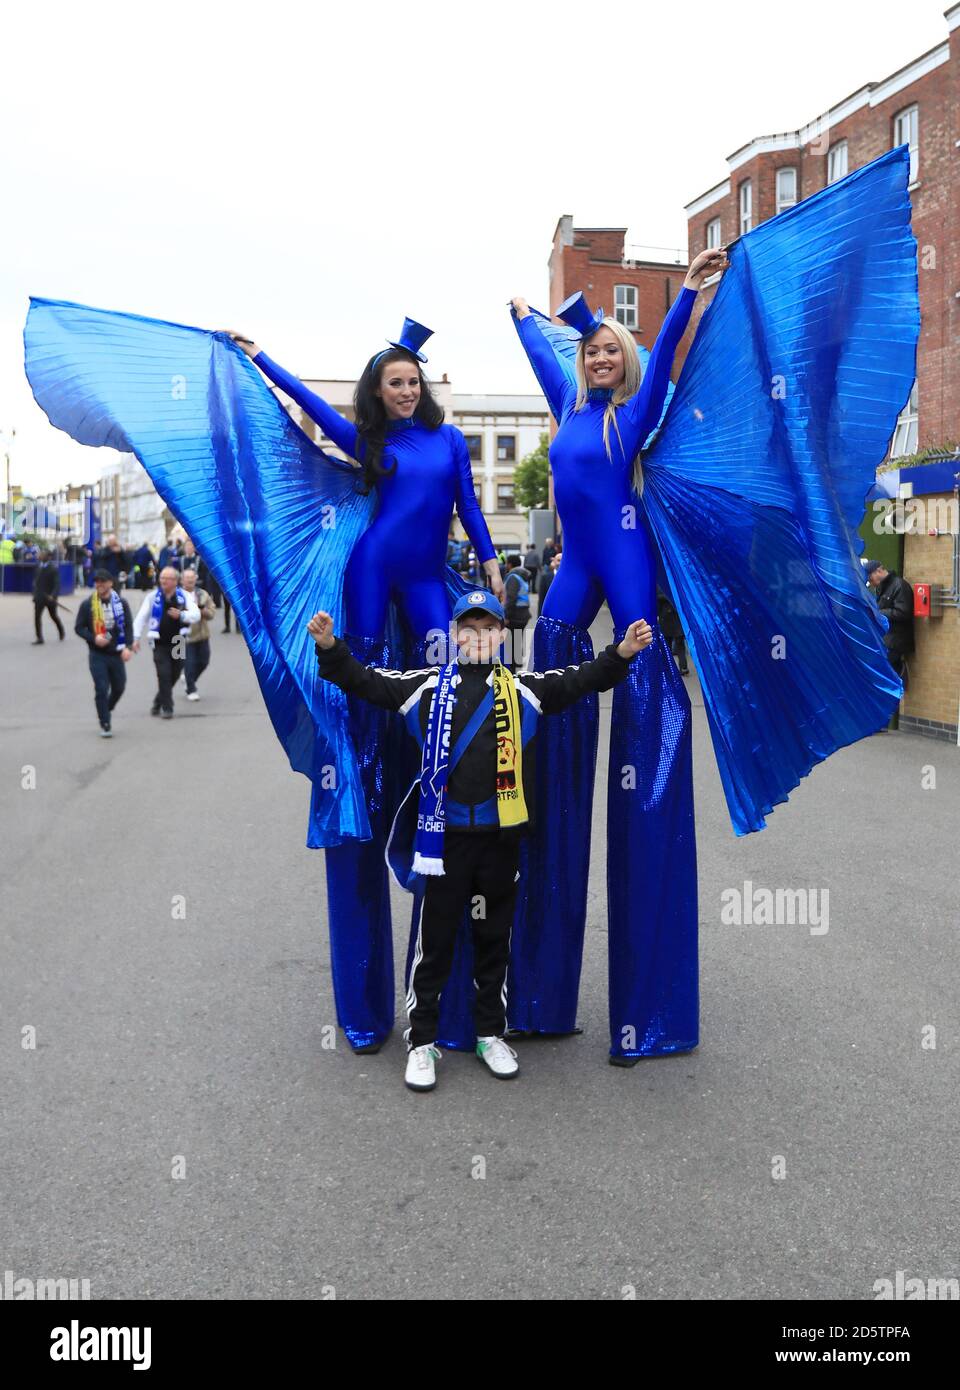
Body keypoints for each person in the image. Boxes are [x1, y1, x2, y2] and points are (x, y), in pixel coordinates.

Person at [226, 317, 502, 1054]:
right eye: (395, 384)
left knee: (449, 675)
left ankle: (434, 763)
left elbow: (469, 505)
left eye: (414, 382)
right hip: (374, 566)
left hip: (425, 576)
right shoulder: (370, 444)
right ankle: (362, 752)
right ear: (378, 394)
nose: (407, 392)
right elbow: (311, 416)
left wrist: (490, 559)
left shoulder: (446, 440)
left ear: (425, 387)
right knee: (367, 673)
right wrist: (264, 360)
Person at [310, 589, 653, 1090]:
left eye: (487, 628)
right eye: (467, 629)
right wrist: (329, 646)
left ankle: (491, 1033)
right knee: (437, 944)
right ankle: (422, 1042)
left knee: (495, 940)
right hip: (442, 843)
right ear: (454, 636)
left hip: (501, 840)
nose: (477, 637)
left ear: (500, 635)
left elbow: (579, 680)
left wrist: (619, 654)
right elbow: (366, 681)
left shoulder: (523, 688)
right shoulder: (425, 687)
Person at [131, 566, 201, 717]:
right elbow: (141, 618)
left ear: (175, 581)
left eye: (167, 578)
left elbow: (196, 615)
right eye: (161, 578)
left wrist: (182, 615)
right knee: (163, 674)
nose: (163, 581)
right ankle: (167, 708)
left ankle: (158, 701)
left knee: (174, 674)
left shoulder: (184, 596)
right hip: (159, 641)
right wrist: (135, 638)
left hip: (178, 640)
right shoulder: (152, 597)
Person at [74, 568, 135, 736]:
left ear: (110, 583)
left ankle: (106, 708)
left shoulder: (121, 603)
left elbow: (128, 626)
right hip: (97, 654)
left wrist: (128, 647)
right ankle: (105, 722)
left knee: (119, 687)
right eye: (97, 581)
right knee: (101, 688)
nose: (99, 584)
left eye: (102, 581)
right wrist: (94, 638)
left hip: (116, 652)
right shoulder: (88, 604)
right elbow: (79, 628)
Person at [863, 560, 915, 677]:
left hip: (896, 640)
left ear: (879, 571)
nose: (871, 583)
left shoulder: (899, 585)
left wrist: (878, 612)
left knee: (883, 670)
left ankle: (900, 674)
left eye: (871, 579)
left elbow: (903, 612)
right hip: (886, 639)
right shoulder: (881, 588)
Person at [180, 565, 216, 699]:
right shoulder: (177, 595)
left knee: (204, 662)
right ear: (182, 580)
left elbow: (212, 613)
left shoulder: (202, 594)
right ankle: (191, 689)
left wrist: (203, 611)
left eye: (192, 578)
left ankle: (190, 679)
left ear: (196, 579)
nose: (189, 580)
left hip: (202, 635)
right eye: (187, 578)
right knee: (188, 663)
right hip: (183, 636)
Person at [503, 554, 532, 671]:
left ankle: (512, 670)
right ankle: (517, 664)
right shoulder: (522, 576)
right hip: (523, 614)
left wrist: (506, 616)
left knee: (511, 643)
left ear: (509, 564)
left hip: (515, 615)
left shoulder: (513, 577)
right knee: (517, 640)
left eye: (506, 563)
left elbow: (511, 598)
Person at [31, 550, 65, 643]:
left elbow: (57, 584)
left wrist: (53, 595)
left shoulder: (53, 569)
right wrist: (35, 594)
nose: (40, 556)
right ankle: (39, 638)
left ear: (48, 557)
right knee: (37, 617)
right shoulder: (38, 566)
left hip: (49, 598)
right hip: (39, 597)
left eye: (42, 555)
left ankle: (61, 631)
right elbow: (36, 582)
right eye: (40, 554)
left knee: (53, 616)